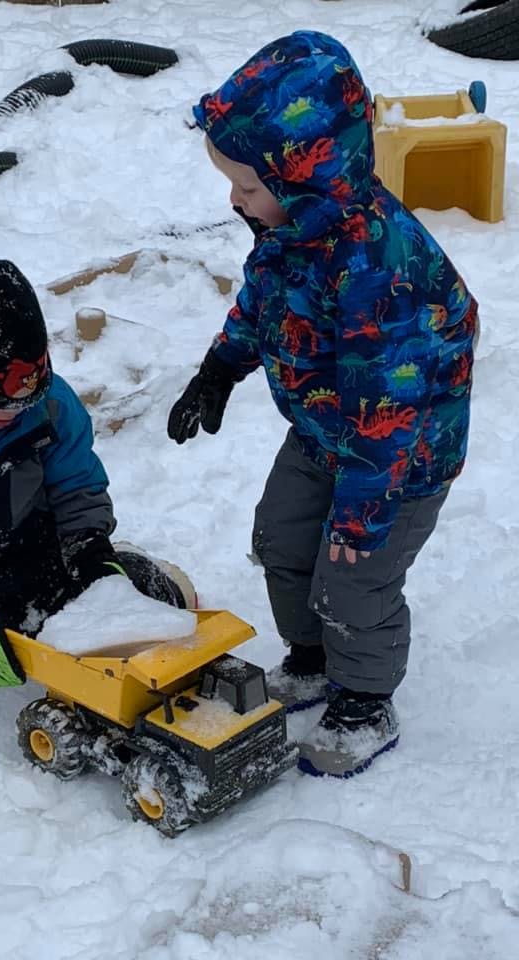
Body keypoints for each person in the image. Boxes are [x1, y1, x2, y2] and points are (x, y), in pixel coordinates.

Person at [168, 31, 477, 778]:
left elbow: (391, 420)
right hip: (325, 432)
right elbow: (265, 304)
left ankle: (366, 698)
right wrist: (220, 367)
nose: (233, 199)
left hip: (396, 463)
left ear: (304, 177)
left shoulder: (380, 272)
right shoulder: (292, 231)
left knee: (352, 578)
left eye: (246, 186)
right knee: (281, 540)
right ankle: (309, 659)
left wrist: (359, 521)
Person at [0, 259, 193, 687]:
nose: (16, 413)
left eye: (26, 400)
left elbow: (77, 485)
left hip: (36, 543)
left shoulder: (53, 406)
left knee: (90, 616)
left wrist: (91, 553)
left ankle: (130, 569)